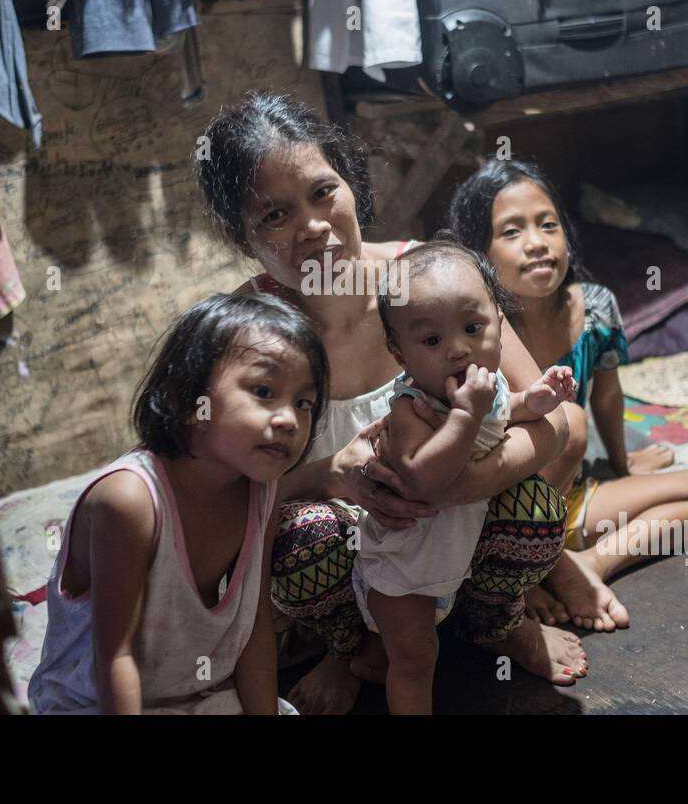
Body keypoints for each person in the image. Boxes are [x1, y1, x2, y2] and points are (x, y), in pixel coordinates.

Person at [197, 92, 589, 714]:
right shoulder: (249, 335)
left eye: (323, 191)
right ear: (243, 238)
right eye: (274, 215)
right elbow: (216, 500)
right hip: (361, 565)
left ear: (352, 185)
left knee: (535, 508)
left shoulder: (434, 282)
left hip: (460, 531)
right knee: (307, 539)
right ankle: (348, 649)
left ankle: (493, 624)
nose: (313, 225)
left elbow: (557, 424)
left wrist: (463, 480)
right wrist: (328, 476)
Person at [449, 159, 688, 632]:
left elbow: (608, 396)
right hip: (493, 515)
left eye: (548, 225)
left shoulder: (597, 306)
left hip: (569, 499)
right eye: (511, 232)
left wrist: (623, 464)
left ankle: (587, 565)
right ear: (480, 253)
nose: (537, 243)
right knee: (567, 421)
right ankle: (519, 569)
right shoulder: (476, 330)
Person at [28, 292, 325, 713]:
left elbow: (255, 623)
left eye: (304, 402)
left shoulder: (262, 488)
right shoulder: (129, 502)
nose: (289, 420)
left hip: (194, 693)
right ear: (188, 401)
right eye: (263, 391)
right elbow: (117, 657)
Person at [357, 240, 581, 713]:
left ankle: (492, 628)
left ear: (499, 324)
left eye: (472, 327)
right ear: (399, 352)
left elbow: (506, 412)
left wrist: (536, 401)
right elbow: (423, 478)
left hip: (458, 559)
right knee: (416, 661)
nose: (458, 349)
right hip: (404, 572)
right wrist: (463, 416)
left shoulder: (489, 385)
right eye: (432, 341)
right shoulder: (411, 409)